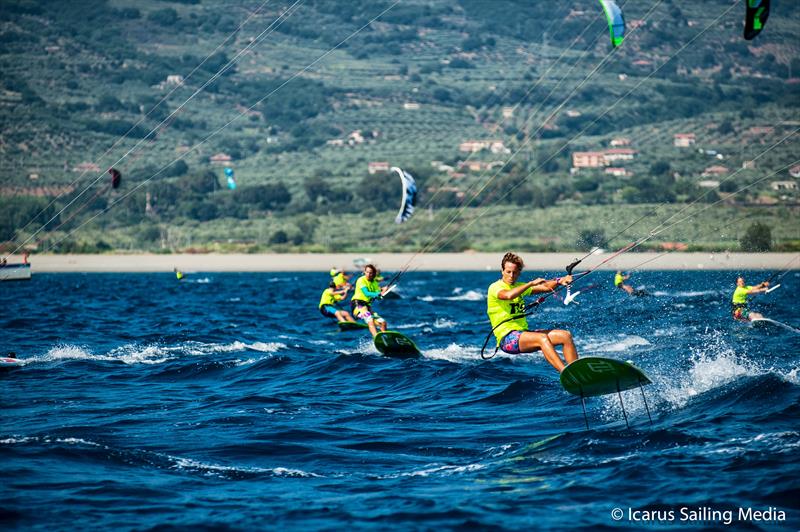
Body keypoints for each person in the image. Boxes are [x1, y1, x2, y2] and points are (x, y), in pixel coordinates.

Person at [487, 252, 577, 373]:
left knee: (565, 336)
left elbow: (545, 287)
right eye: (508, 272)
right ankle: (566, 373)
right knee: (542, 338)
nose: (511, 275)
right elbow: (508, 295)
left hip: (523, 334)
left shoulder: (519, 286)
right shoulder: (495, 287)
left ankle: (577, 371)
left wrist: (560, 280)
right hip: (507, 339)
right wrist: (530, 283)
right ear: (502, 271)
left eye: (515, 272)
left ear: (519, 272)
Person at [350, 263, 389, 337]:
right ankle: (376, 337)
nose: (368, 274)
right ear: (364, 272)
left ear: (373, 273)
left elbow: (379, 297)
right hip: (358, 305)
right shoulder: (361, 280)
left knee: (383, 322)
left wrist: (383, 292)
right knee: (369, 318)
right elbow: (366, 293)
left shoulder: (375, 283)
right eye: (367, 272)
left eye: (370, 272)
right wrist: (379, 293)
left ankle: (384, 340)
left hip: (367, 307)